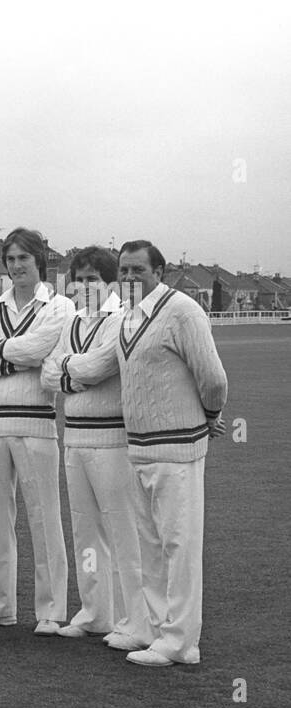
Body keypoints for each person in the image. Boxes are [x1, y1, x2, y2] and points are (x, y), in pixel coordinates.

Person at [113, 240, 228, 666]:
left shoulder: (181, 311)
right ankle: (159, 632)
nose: (128, 278)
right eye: (123, 271)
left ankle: (182, 642)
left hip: (178, 449)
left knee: (179, 545)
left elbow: (213, 377)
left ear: (158, 272)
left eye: (137, 270)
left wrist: (210, 415)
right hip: (139, 449)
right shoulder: (127, 316)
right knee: (152, 545)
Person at [0, 227, 71, 634]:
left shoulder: (58, 305)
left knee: (43, 516)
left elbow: (43, 347)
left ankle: (50, 611)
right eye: (10, 259)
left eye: (23, 258)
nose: (16, 266)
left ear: (38, 260)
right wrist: (16, 355)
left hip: (36, 423)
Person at [39, 246, 146, 646]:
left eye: (92, 280)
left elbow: (104, 364)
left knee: (122, 530)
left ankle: (133, 619)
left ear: (111, 283)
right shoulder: (72, 321)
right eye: (78, 280)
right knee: (85, 529)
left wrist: (69, 368)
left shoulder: (124, 318)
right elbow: (48, 373)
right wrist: (72, 372)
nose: (83, 287)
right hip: (76, 436)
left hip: (113, 438)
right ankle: (95, 613)